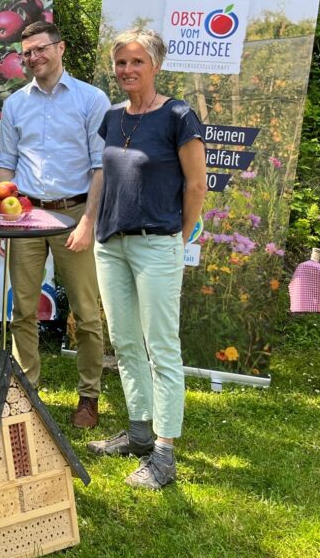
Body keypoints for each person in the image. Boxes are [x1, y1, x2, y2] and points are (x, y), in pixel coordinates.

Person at [87, 28, 207, 490]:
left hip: (156, 243)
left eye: (137, 62)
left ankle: (164, 455)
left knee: (161, 346)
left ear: (156, 65)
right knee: (125, 342)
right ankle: (138, 433)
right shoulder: (113, 117)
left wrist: (178, 236)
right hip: (111, 243)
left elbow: (196, 185)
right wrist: (90, 221)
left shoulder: (179, 115)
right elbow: (104, 174)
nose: (127, 70)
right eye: (120, 63)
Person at [0, 20, 110, 428]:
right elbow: (5, 162)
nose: (33, 58)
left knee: (86, 311)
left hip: (74, 213)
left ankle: (88, 397)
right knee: (23, 308)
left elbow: (101, 167)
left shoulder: (91, 99)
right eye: (27, 53)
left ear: (60, 49)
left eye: (41, 49)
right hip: (24, 214)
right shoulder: (15, 104)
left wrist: (88, 222)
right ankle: (27, 394)